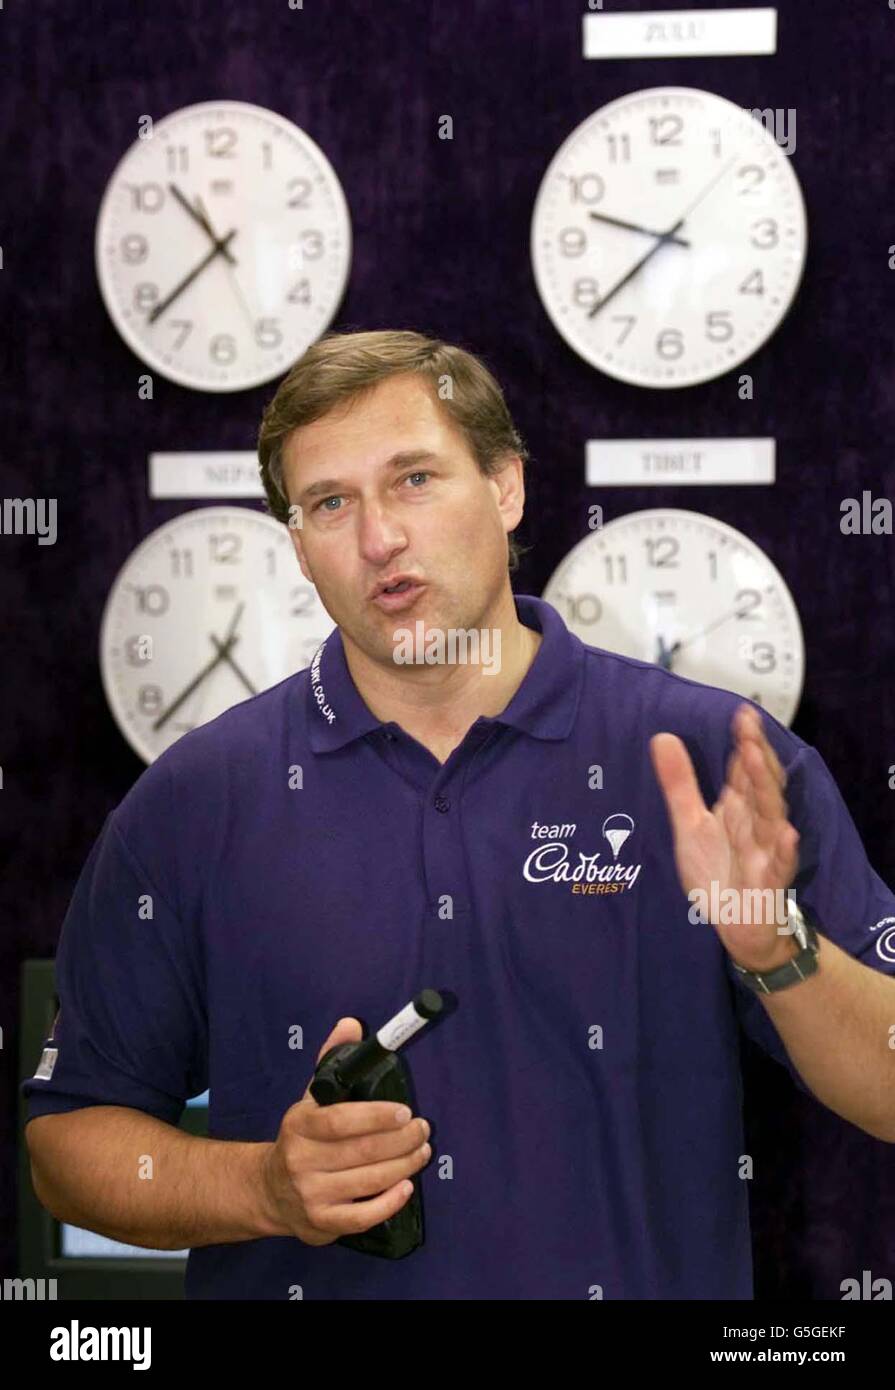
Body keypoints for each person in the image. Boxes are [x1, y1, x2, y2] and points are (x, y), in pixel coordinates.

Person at [23, 329, 895, 1300]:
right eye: (329, 503)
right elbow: (68, 1146)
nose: (377, 538)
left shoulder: (706, 762)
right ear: (299, 547)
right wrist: (263, 1186)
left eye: (413, 480)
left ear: (506, 487)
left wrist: (777, 949)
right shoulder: (195, 799)